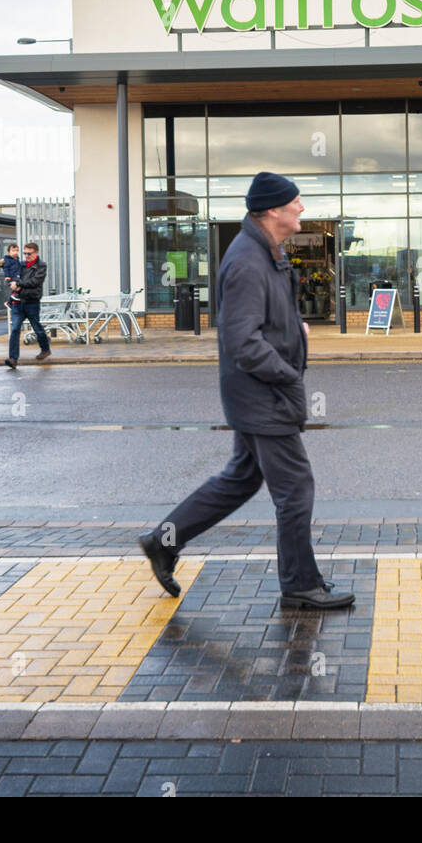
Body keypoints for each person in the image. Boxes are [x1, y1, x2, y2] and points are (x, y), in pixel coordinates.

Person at [138, 171, 352, 610]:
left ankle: (164, 541)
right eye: (296, 201)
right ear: (274, 210)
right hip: (263, 396)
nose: (302, 208)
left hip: (256, 395)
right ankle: (299, 585)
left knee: (240, 479)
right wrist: (289, 377)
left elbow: (263, 322)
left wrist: (296, 328)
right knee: (296, 491)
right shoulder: (247, 261)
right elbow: (242, 341)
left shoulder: (263, 251)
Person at [5, 242, 51, 368]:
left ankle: (45, 349)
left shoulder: (41, 266)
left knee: (37, 328)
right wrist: (12, 281)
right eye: (24, 253)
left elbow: (35, 282)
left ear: (36, 253)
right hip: (18, 303)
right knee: (15, 329)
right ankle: (13, 359)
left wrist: (19, 284)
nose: (26, 256)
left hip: (32, 302)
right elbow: (13, 276)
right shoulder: (21, 264)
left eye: (29, 254)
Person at [0, 243, 22, 310]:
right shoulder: (7, 259)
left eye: (17, 251)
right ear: (9, 252)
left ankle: (10, 302)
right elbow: (6, 268)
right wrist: (7, 276)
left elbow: (18, 267)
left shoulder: (17, 259)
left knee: (19, 288)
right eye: (13, 251)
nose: (15, 252)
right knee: (16, 288)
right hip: (11, 277)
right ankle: (11, 299)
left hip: (16, 276)